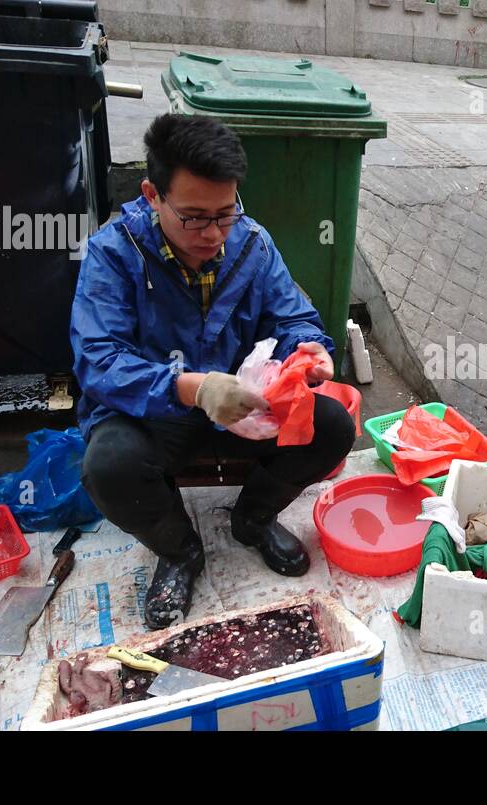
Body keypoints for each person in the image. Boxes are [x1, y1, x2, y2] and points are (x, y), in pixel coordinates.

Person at [71, 114, 355, 630]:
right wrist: (191, 389)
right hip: (159, 416)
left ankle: (254, 518)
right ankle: (179, 550)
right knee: (108, 466)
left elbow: (292, 316)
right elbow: (98, 362)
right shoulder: (112, 254)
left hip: (245, 413)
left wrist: (309, 349)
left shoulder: (252, 243)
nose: (213, 233)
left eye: (226, 213)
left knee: (333, 426)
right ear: (153, 195)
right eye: (194, 217)